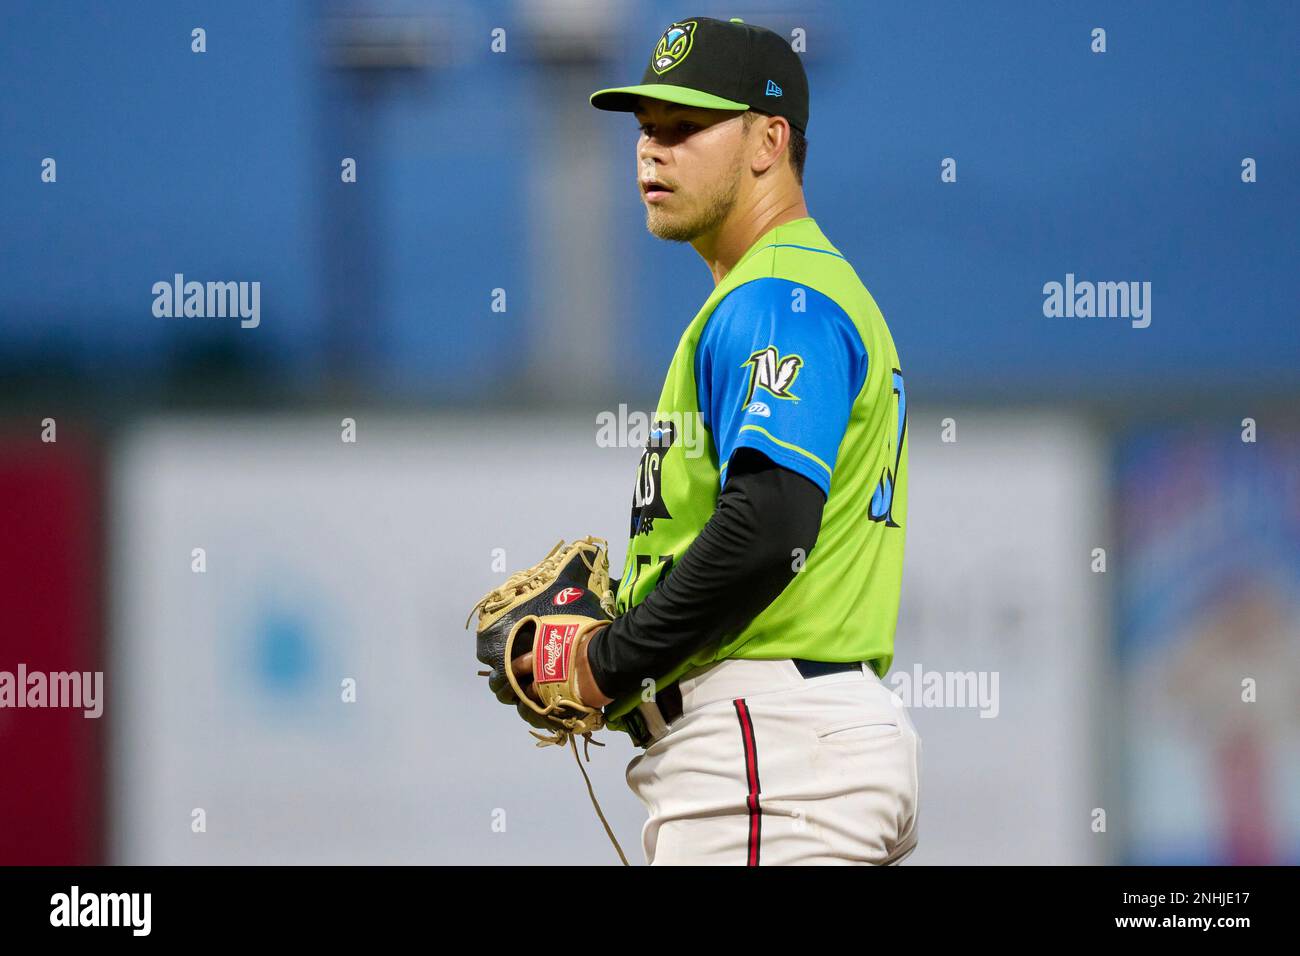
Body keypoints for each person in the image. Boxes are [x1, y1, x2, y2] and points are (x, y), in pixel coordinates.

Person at [518, 15, 920, 866]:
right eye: (647, 128)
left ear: (769, 140)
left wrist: (607, 663)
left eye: (688, 127)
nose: (653, 152)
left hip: (767, 753)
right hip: (792, 751)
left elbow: (772, 525)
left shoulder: (780, 295)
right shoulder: (798, 287)